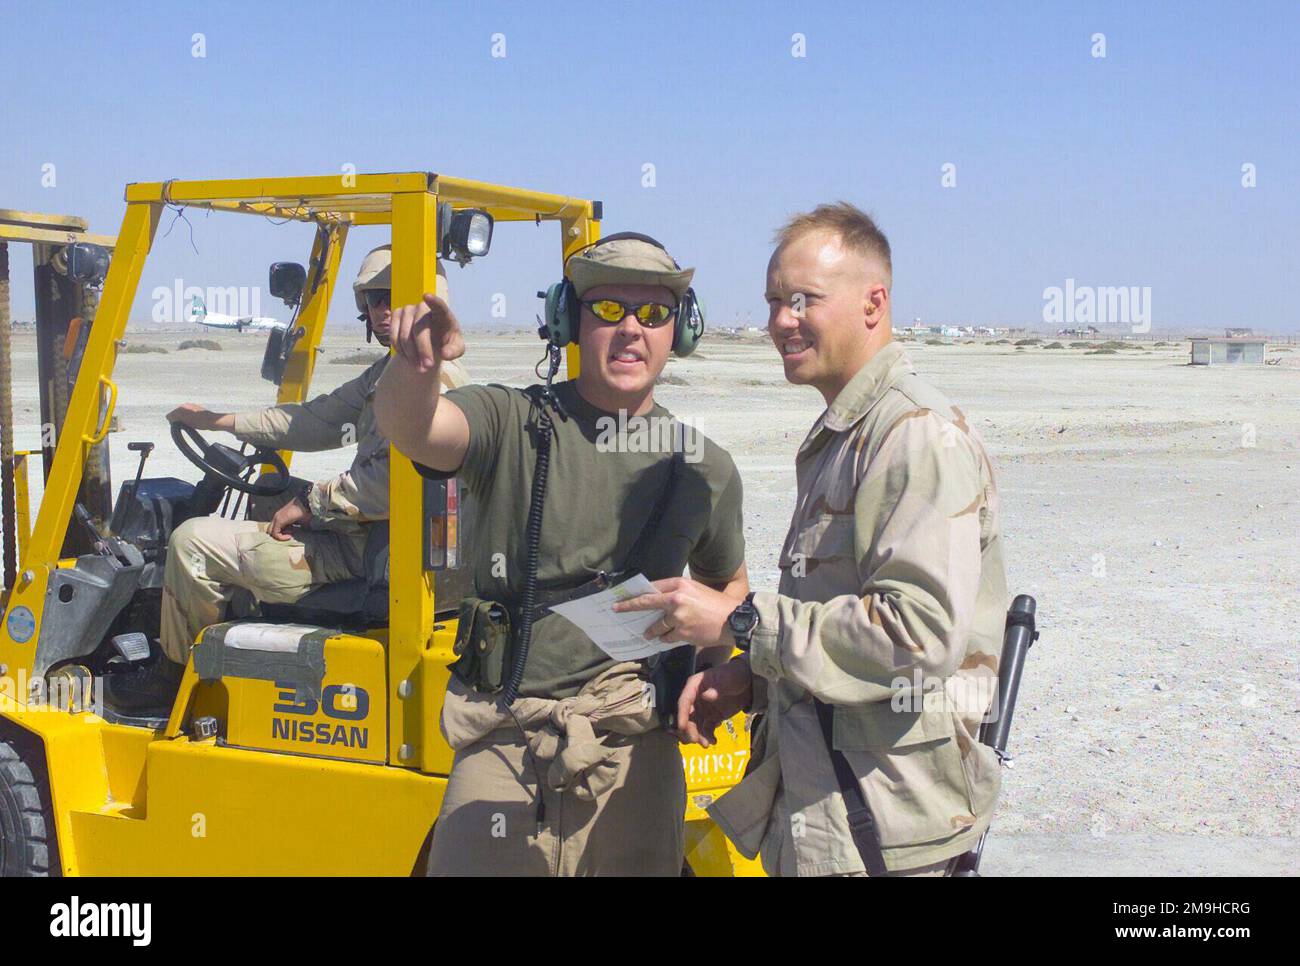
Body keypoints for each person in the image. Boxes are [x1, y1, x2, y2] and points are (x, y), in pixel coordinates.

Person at [615, 203, 1009, 876]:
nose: (780, 323)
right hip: (834, 812)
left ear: (873, 302)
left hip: (883, 825)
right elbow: (842, 626)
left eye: (803, 302)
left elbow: (914, 638)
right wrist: (751, 680)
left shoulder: (911, 436)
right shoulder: (847, 434)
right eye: (773, 303)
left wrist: (740, 620)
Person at [375, 233, 748, 875]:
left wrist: (717, 670)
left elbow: (729, 586)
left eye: (653, 313)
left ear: (679, 330)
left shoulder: (704, 467)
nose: (631, 329)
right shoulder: (507, 420)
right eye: (608, 309)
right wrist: (416, 366)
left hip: (637, 751)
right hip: (504, 737)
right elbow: (417, 429)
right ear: (567, 319)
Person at [105, 247, 467, 713]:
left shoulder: (434, 380)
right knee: (266, 497)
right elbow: (317, 420)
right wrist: (221, 420)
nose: (379, 310)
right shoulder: (393, 372)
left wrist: (312, 503)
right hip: (377, 542)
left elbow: (395, 482)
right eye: (372, 300)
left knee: (191, 542)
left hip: (371, 555)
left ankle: (175, 680)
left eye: (390, 297)